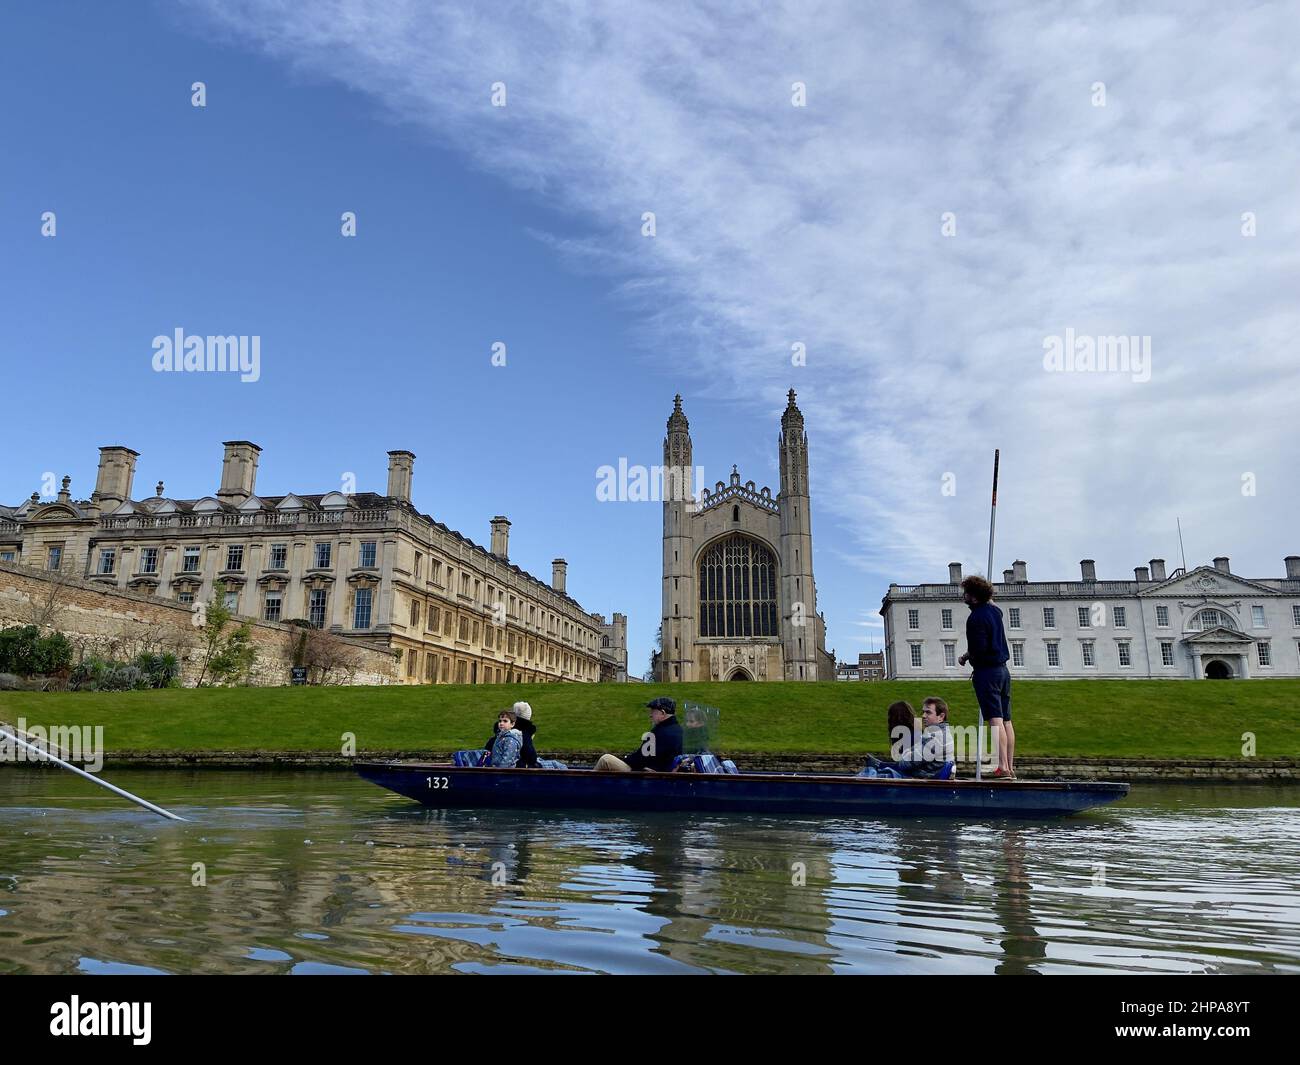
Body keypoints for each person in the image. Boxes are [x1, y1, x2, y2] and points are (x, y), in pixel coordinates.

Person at [957, 574, 1015, 778]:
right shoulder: (995, 612)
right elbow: (992, 604)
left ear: (973, 596)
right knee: (1007, 720)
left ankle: (1003, 768)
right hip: (1003, 672)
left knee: (995, 720)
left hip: (987, 673)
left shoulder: (975, 619)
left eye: (966, 592)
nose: (963, 595)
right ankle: (1010, 767)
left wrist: (966, 658)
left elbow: (979, 649)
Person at [593, 697, 684, 772]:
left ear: (663, 713)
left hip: (647, 775)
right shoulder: (679, 730)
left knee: (606, 759)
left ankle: (586, 788)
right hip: (659, 772)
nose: (650, 715)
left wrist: (625, 759)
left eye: (653, 711)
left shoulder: (658, 732)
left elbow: (640, 759)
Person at [486, 701, 540, 768]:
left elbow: (489, 747)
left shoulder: (504, 733)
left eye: (504, 721)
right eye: (500, 721)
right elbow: (531, 757)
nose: (501, 723)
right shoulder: (515, 736)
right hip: (508, 769)